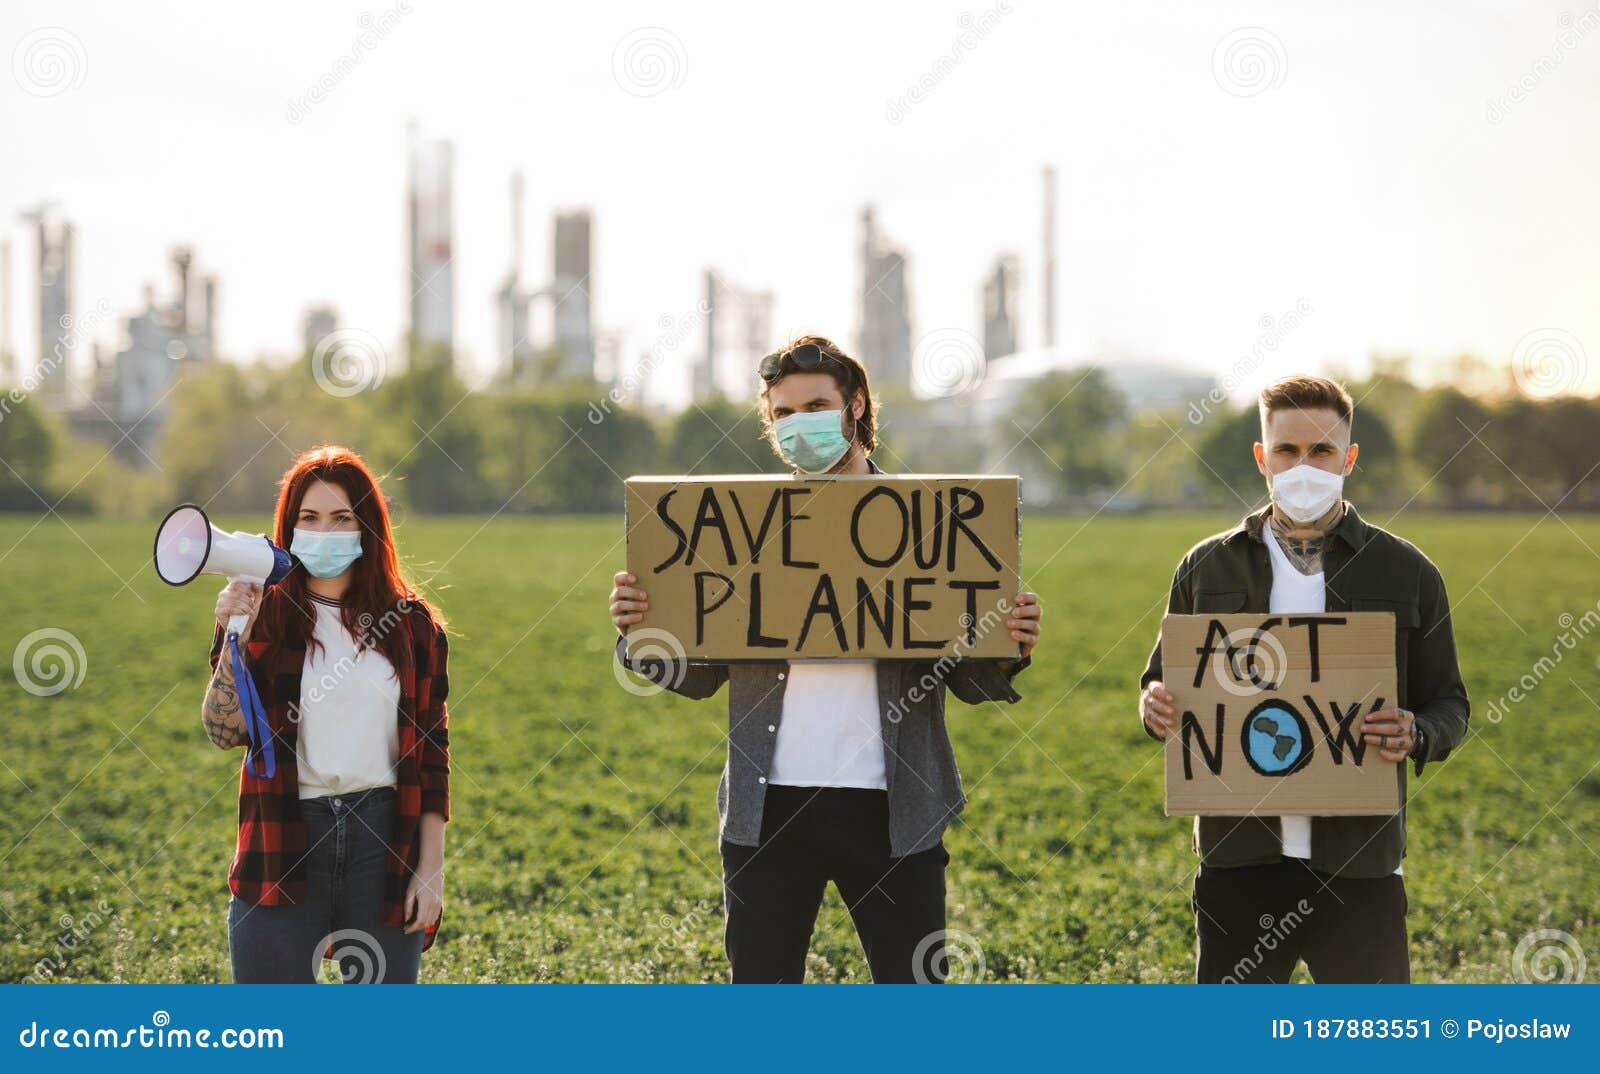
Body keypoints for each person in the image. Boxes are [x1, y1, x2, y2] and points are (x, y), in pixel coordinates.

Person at [609, 335, 1043, 983]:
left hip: (895, 810)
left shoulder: (930, 523)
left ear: (856, 406)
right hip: (768, 810)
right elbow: (699, 678)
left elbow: (973, 682)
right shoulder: (743, 526)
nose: (798, 425)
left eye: (815, 405)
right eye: (783, 414)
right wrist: (644, 631)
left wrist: (1008, 644)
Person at [1139, 375, 1469, 983]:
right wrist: (1154, 705)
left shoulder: (1407, 571)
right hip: (1239, 857)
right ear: (1263, 457)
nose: (1304, 466)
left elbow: (1449, 703)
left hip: (1361, 862)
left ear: (1349, 457)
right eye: (1287, 451)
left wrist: (1416, 732)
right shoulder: (1206, 564)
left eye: (1321, 451)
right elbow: (1161, 681)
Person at [202, 445, 451, 983]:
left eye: (342, 518)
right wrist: (233, 636)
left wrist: (430, 870)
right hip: (284, 834)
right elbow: (224, 731)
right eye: (309, 518)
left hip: (383, 839)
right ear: (288, 530)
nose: (325, 531)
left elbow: (432, 753)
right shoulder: (264, 616)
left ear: (367, 528)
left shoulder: (412, 627)